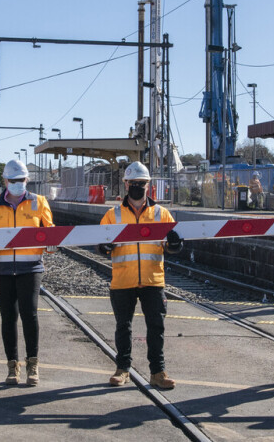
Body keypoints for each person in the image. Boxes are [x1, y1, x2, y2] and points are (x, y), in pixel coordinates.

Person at [97, 162, 183, 390]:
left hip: (153, 280)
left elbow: (170, 246)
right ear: (126, 184)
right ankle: (122, 369)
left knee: (156, 327)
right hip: (123, 280)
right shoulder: (112, 215)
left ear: (148, 185)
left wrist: (175, 245)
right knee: (123, 327)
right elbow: (101, 244)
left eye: (141, 183)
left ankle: (158, 372)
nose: (137, 187)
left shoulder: (161, 214)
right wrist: (104, 247)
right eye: (133, 183)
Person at [0, 159, 55, 386]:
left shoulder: (39, 202)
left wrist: (52, 243)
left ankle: (32, 364)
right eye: (12, 180)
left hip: (30, 267)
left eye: (20, 180)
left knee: (29, 314)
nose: (16, 183)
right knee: (8, 317)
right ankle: (12, 366)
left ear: (27, 180)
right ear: (5, 181)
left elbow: (49, 230)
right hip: (1, 269)